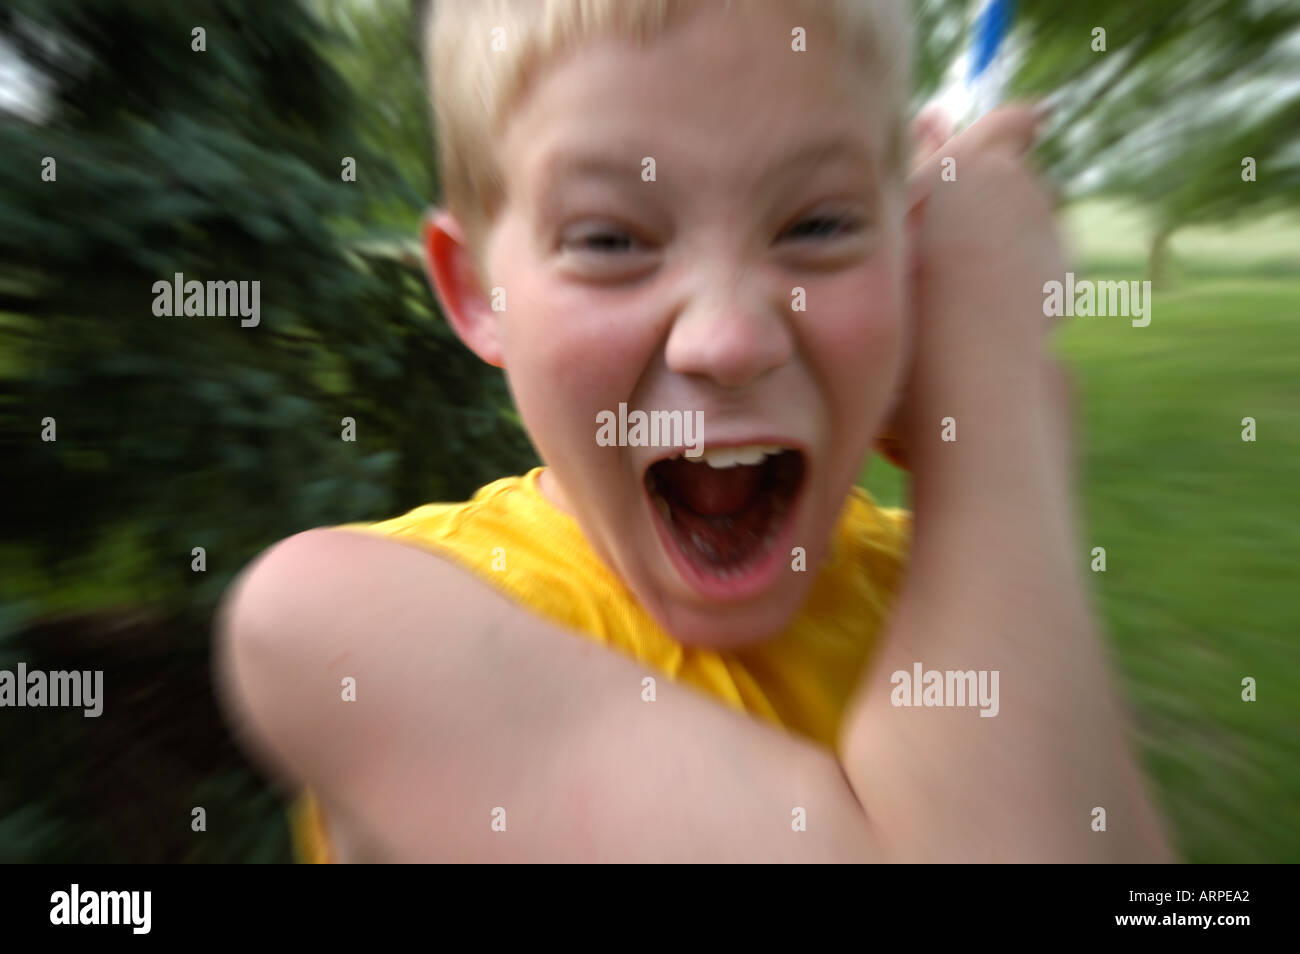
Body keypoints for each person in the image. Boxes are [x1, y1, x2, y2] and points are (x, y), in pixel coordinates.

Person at [213, 0, 1172, 863]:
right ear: (477, 293)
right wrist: (994, 378)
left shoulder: (953, 603)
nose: (729, 338)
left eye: (820, 224)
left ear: (906, 255)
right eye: (610, 240)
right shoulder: (335, 628)